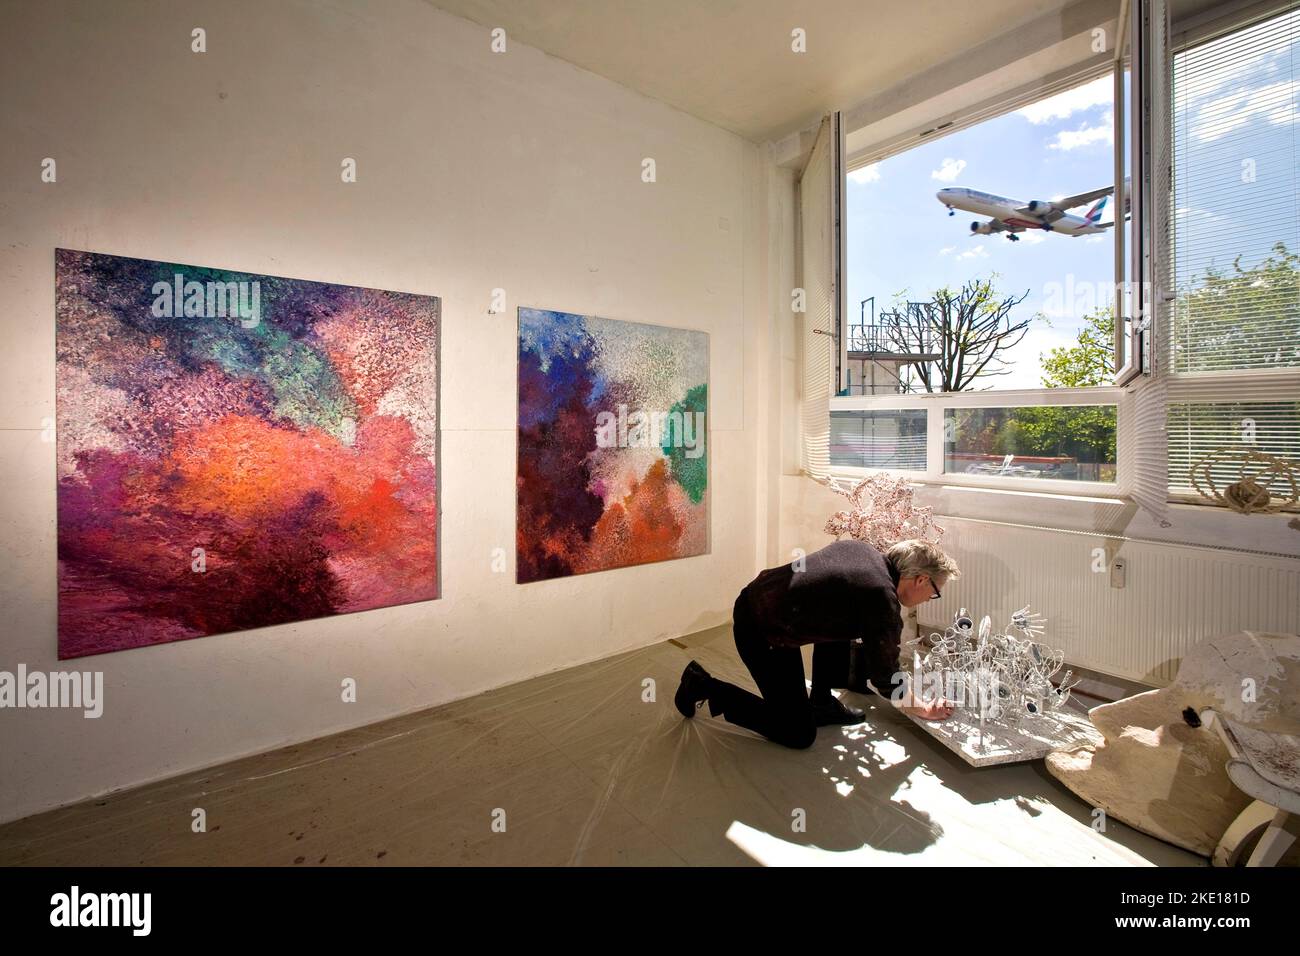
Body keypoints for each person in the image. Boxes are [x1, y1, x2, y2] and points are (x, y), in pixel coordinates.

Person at [674, 538, 960, 749]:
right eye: (935, 592)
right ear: (921, 580)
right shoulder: (880, 598)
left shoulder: (862, 551)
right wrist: (923, 708)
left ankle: (821, 702)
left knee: (844, 620)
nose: (930, 599)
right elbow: (885, 677)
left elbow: (835, 621)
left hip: (760, 602)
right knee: (797, 733)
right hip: (762, 631)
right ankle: (700, 685)